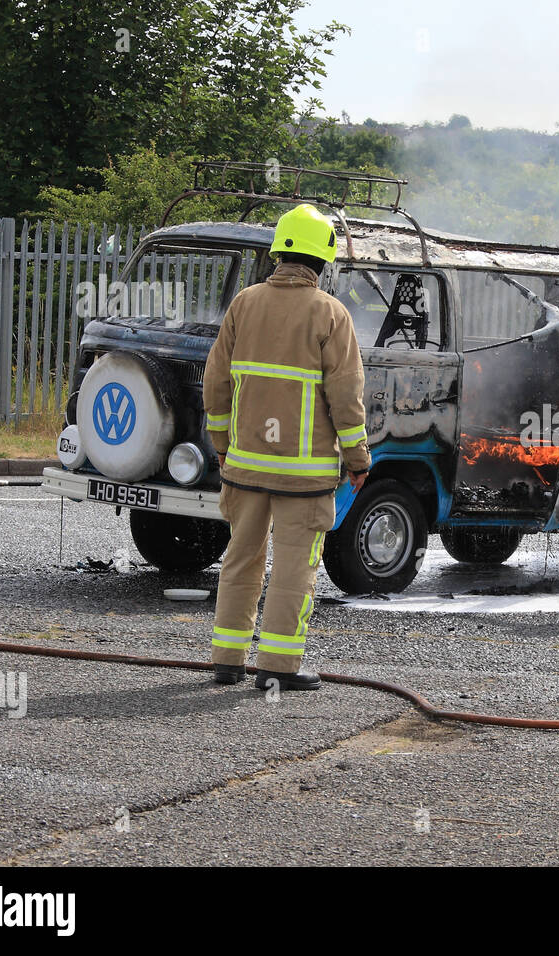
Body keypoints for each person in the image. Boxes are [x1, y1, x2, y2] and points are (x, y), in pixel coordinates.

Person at [203, 204, 371, 689]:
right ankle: (276, 669)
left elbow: (215, 381)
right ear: (323, 260)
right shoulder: (331, 314)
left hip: (244, 468)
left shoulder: (244, 303)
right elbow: (346, 396)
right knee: (294, 569)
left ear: (278, 252)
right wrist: (358, 460)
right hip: (305, 476)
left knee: (241, 560)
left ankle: (227, 661)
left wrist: (221, 443)